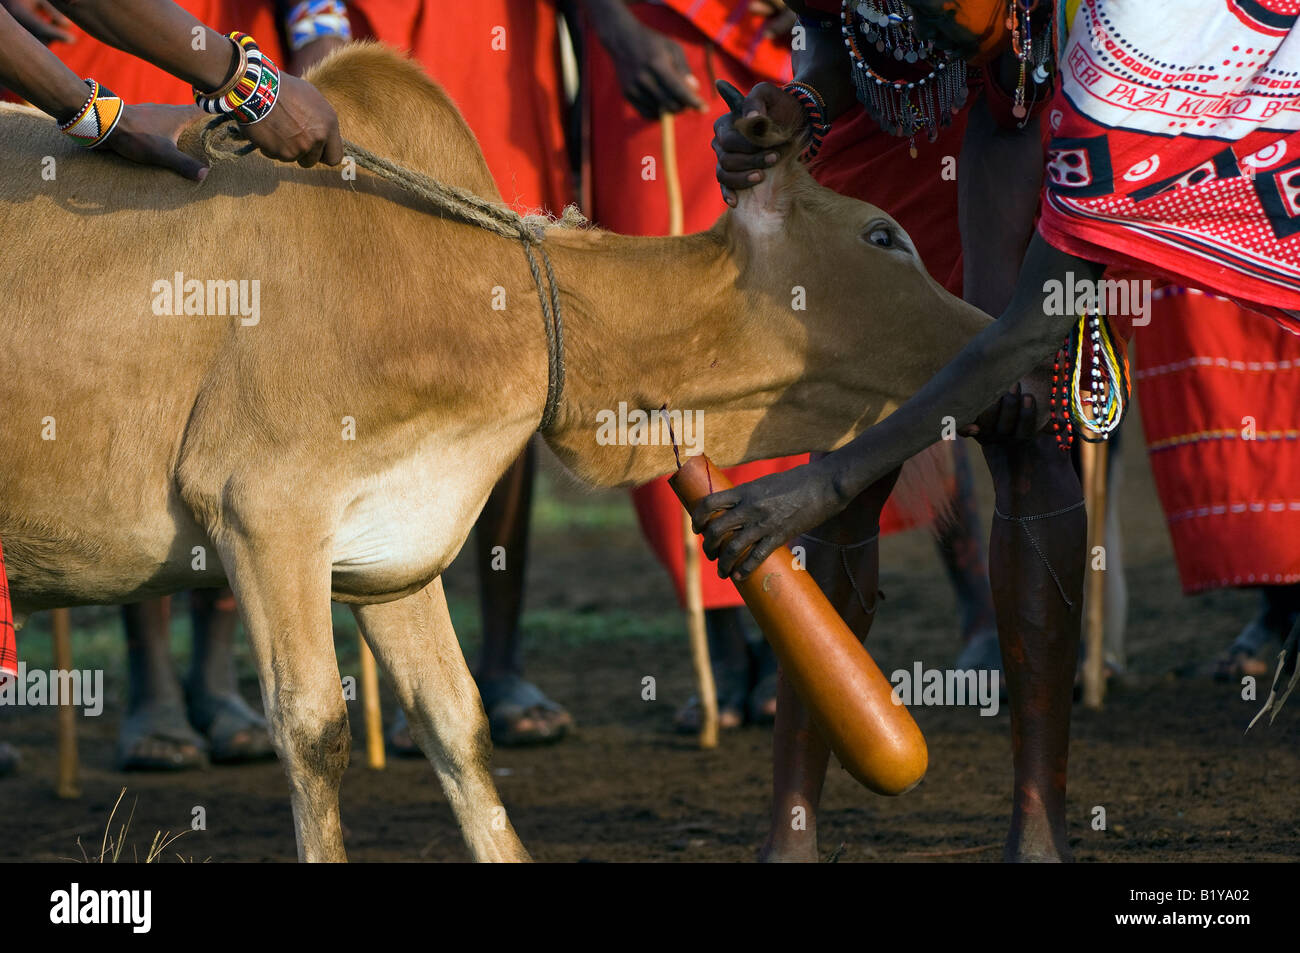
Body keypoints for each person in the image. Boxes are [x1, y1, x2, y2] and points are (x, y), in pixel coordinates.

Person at [706, 0, 1300, 860]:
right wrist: (802, 105)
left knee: (1028, 425)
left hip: (1037, 115)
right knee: (844, 422)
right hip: (891, 143)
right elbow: (839, 35)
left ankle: (1038, 821)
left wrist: (992, 338)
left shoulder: (1105, 38)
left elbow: (1015, 310)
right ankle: (791, 825)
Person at [582, 0, 1000, 733]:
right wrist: (617, 23)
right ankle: (746, 646)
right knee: (675, 328)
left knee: (915, 351)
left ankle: (986, 626)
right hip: (688, 49)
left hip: (913, 80)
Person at [0, 0, 342, 773]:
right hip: (145, 57)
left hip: (183, 52)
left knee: (240, 368)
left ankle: (215, 673)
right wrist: (250, 85)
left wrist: (312, 32)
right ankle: (151, 682)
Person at [347, 0, 577, 746]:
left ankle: (502, 663)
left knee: (504, 365)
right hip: (366, 72)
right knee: (383, 379)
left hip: (497, 73)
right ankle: (413, 681)